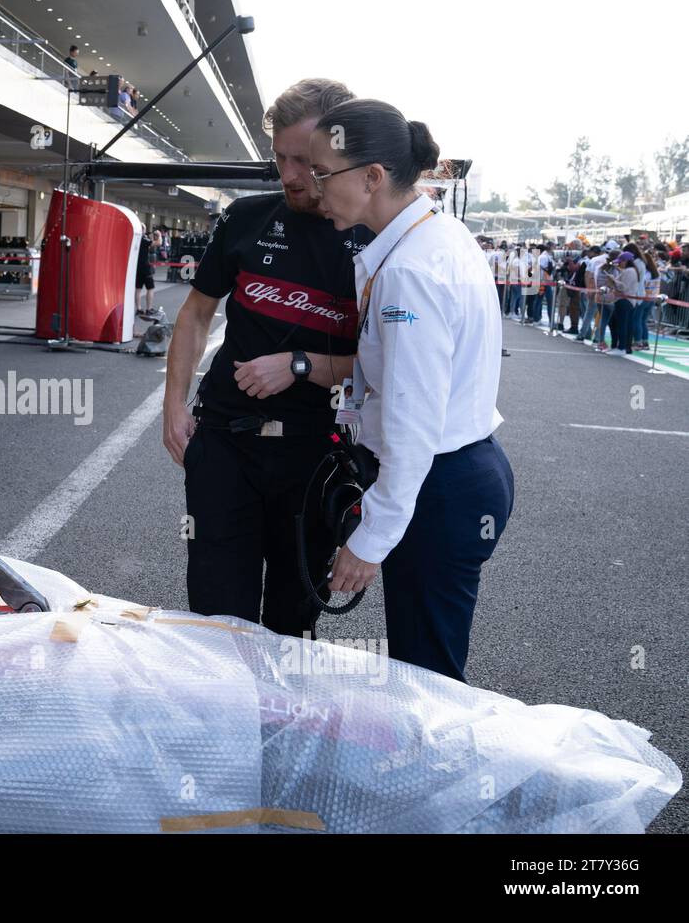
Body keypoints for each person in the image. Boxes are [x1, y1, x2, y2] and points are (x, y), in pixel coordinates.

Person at [307, 98, 513, 682]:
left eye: (324, 173)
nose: (315, 187)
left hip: (439, 484)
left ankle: (438, 771)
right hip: (461, 471)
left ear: (372, 176)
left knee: (427, 680)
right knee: (431, 666)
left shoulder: (408, 269)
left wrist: (372, 537)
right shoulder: (436, 236)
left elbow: (411, 420)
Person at [164, 77, 372, 638]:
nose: (289, 174)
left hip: (313, 452)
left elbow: (388, 362)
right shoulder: (246, 217)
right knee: (214, 614)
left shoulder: (371, 240)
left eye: (303, 160)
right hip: (225, 442)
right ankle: (219, 724)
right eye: (279, 157)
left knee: (291, 618)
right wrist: (174, 406)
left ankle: (280, 722)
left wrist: (301, 363)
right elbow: (195, 314)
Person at [135, 228, 158, 316]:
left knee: (138, 289)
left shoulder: (135, 239)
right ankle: (149, 309)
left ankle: (139, 309)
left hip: (137, 267)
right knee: (150, 288)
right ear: (143, 230)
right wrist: (159, 236)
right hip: (145, 267)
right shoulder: (143, 239)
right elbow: (158, 243)